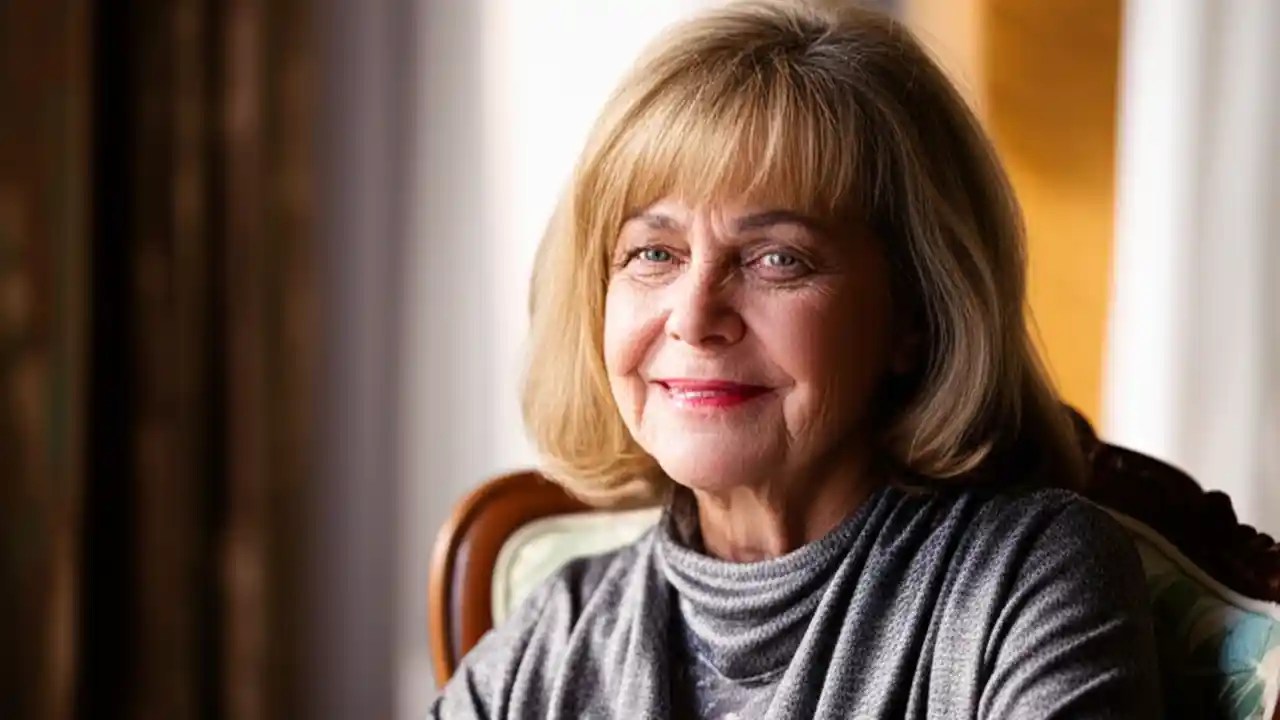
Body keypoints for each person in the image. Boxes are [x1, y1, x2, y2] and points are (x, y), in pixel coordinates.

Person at [430, 1, 1161, 717]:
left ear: (915, 313)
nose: (694, 318)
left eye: (777, 259)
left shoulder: (1024, 580)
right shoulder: (552, 636)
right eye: (654, 253)